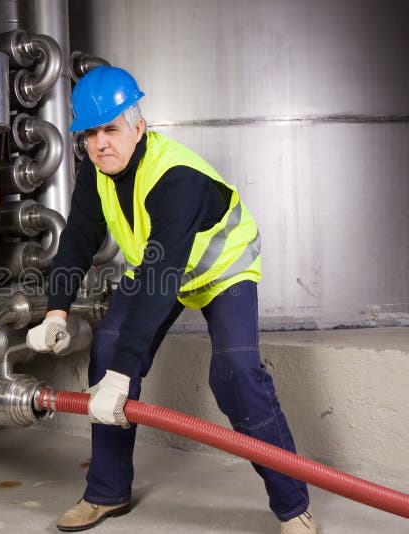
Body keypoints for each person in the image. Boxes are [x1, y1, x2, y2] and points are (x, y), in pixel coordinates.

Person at [26, 65, 319, 534]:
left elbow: (163, 277)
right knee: (107, 353)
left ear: (138, 127)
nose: (101, 143)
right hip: (162, 266)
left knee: (236, 376)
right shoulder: (95, 171)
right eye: (90, 133)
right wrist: (56, 312)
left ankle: (292, 506)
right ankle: (106, 492)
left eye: (112, 129)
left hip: (222, 271)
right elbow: (78, 240)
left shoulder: (175, 176)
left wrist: (124, 376)